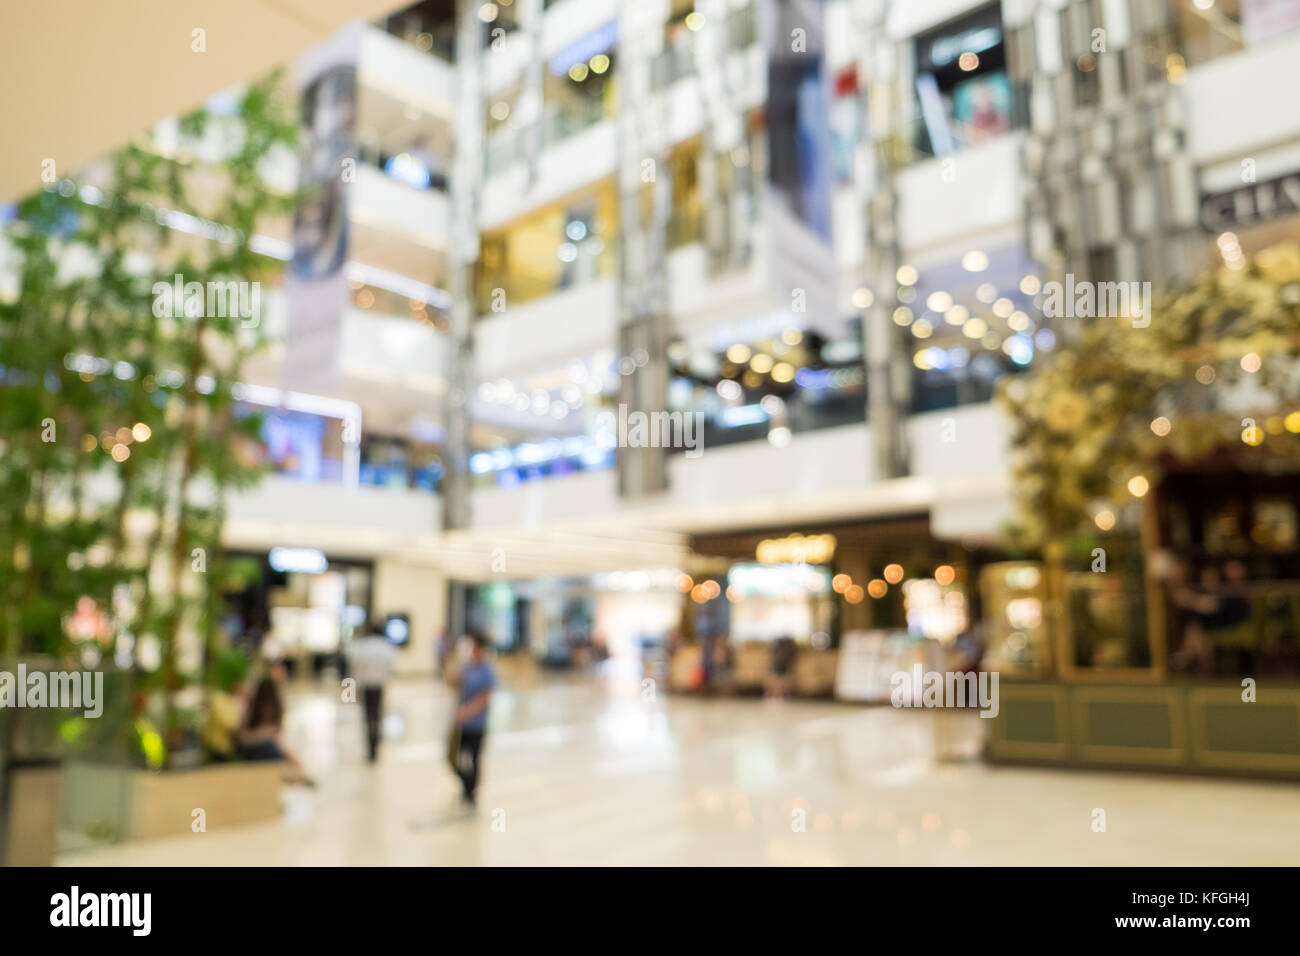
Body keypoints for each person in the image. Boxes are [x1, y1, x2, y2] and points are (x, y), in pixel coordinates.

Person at [238, 663, 314, 785]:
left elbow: (278, 736)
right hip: (253, 749)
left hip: (267, 746)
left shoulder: (277, 707)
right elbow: (243, 738)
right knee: (275, 752)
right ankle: (291, 775)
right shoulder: (251, 708)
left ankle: (296, 774)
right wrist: (264, 734)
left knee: (281, 751)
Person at [449, 632, 497, 810]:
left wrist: (467, 712)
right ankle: (466, 785)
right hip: (461, 724)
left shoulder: (487, 670)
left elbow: (485, 698)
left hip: (477, 724)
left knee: (474, 759)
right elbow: (452, 684)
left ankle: (471, 791)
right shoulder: (466, 667)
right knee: (454, 758)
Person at [351, 618, 397, 763]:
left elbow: (355, 669)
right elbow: (392, 669)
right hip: (379, 686)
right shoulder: (386, 646)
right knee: (377, 715)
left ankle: (370, 746)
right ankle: (375, 744)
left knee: (368, 716)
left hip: (366, 686)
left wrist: (353, 690)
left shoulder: (363, 646)